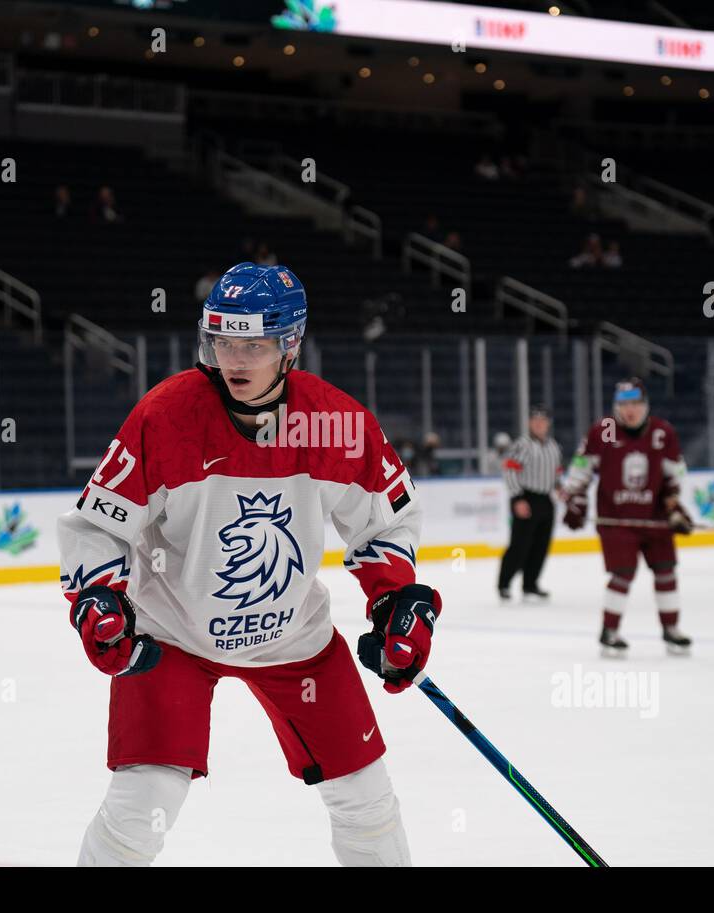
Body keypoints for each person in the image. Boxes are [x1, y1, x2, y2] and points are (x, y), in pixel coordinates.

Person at [57, 262, 440, 867]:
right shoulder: (166, 416)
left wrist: (398, 600)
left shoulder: (335, 423)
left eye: (253, 345)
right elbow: (101, 524)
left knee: (365, 798)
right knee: (144, 804)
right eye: (223, 342)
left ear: (290, 345)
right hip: (174, 637)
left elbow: (383, 522)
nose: (233, 359)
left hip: (294, 639)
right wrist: (98, 598)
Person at [561, 378, 693, 654]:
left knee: (666, 570)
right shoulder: (603, 430)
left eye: (635, 403)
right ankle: (609, 631)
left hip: (654, 518)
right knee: (623, 573)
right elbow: (581, 469)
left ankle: (671, 629)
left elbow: (675, 476)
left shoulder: (662, 432)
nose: (629, 410)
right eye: (623, 404)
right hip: (616, 519)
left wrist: (674, 506)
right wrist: (576, 499)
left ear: (645, 405)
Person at [497, 406, 562, 601]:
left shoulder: (554, 446)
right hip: (526, 498)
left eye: (543, 420)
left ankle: (530, 584)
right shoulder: (522, 445)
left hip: (545, 499)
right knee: (520, 545)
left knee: (541, 545)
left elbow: (556, 473)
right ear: (529, 422)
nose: (539, 423)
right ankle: (504, 584)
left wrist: (560, 489)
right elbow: (509, 471)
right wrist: (517, 498)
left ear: (548, 423)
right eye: (535, 419)